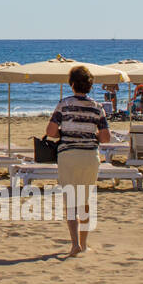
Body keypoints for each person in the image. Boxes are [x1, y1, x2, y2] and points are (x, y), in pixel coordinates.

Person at [45, 65, 110, 258]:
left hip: (68, 155)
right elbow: (105, 137)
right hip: (90, 156)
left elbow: (50, 131)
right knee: (85, 200)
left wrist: (64, 133)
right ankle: (84, 243)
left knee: (71, 201)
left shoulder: (63, 104)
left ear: (72, 84)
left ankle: (74, 243)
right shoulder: (97, 107)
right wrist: (91, 136)